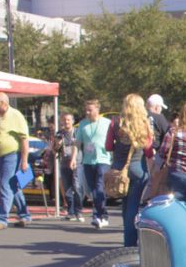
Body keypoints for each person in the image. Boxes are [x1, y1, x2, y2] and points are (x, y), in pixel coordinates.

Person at [105, 94, 154, 247]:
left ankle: (128, 240)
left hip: (119, 170)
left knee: (125, 206)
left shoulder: (115, 123)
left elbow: (108, 146)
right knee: (133, 206)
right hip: (137, 169)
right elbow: (149, 151)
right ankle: (130, 242)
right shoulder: (144, 124)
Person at [0, 92, 31, 230]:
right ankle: (24, 215)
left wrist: (24, 160)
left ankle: (2, 218)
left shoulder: (15, 115)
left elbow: (24, 139)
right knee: (13, 186)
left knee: (5, 185)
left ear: (3, 103)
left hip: (11, 155)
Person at [74, 99, 113, 228]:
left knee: (99, 187)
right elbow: (78, 143)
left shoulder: (107, 123)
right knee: (92, 190)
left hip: (103, 160)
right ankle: (102, 214)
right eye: (86, 110)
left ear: (97, 110)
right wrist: (74, 158)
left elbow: (114, 141)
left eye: (90, 110)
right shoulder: (83, 124)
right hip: (88, 161)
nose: (87, 112)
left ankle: (99, 215)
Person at [52, 112, 83, 222]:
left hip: (77, 162)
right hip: (64, 162)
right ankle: (71, 212)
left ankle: (78, 211)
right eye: (64, 120)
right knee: (67, 188)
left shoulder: (77, 132)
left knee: (77, 186)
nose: (66, 122)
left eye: (68, 120)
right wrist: (57, 144)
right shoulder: (59, 134)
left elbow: (80, 146)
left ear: (73, 121)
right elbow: (54, 150)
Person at [146, 94, 171, 169]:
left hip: (139, 152)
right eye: (161, 107)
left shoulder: (141, 116)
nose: (161, 110)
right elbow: (168, 133)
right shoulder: (160, 118)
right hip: (154, 153)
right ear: (157, 107)